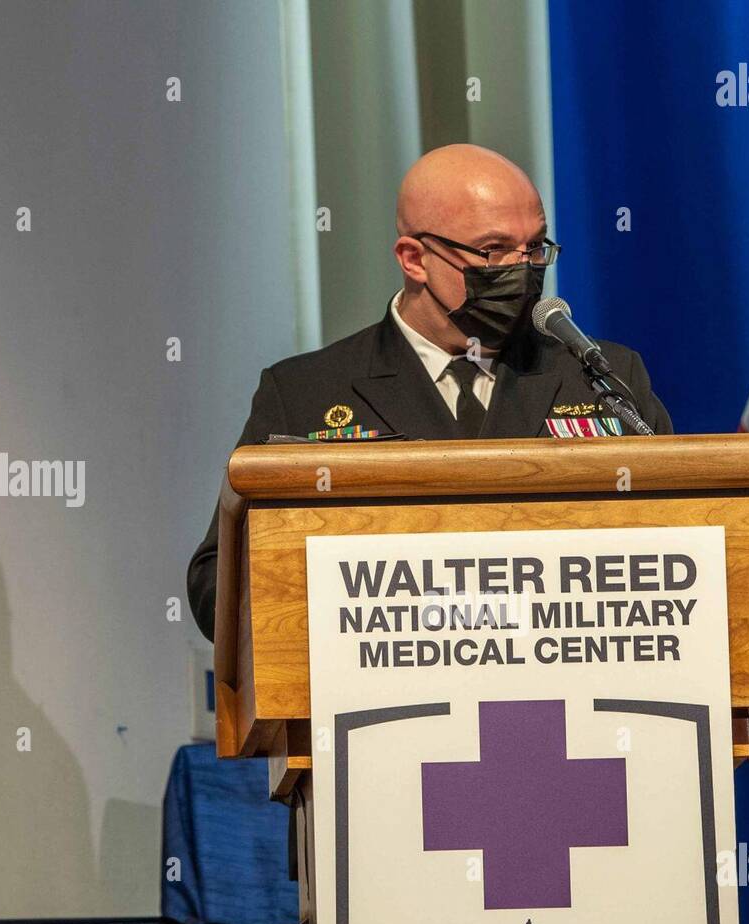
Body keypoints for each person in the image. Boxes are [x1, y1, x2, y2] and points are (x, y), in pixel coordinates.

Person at [187, 143, 672, 640]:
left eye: (535, 247)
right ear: (414, 258)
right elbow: (215, 588)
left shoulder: (598, 375)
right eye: (494, 250)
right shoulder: (305, 390)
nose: (523, 269)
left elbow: (679, 535)